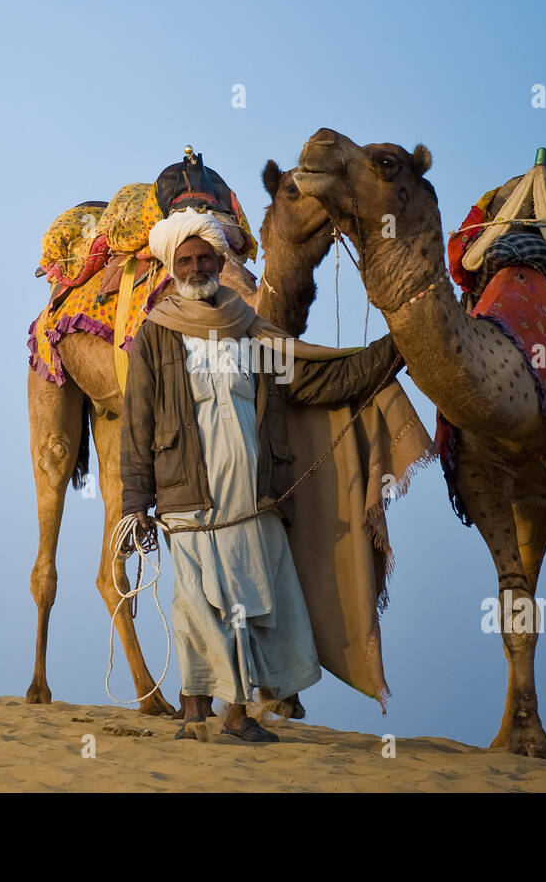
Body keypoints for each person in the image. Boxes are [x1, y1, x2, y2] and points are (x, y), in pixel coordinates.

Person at [120, 208, 404, 742]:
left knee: (250, 607)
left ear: (220, 260)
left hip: (254, 496)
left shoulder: (251, 331)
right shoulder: (155, 337)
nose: (198, 265)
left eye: (207, 256)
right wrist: (135, 504)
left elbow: (321, 380)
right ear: (173, 266)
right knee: (195, 608)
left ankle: (232, 716)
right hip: (187, 498)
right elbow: (137, 426)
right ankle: (199, 716)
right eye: (188, 258)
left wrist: (399, 346)